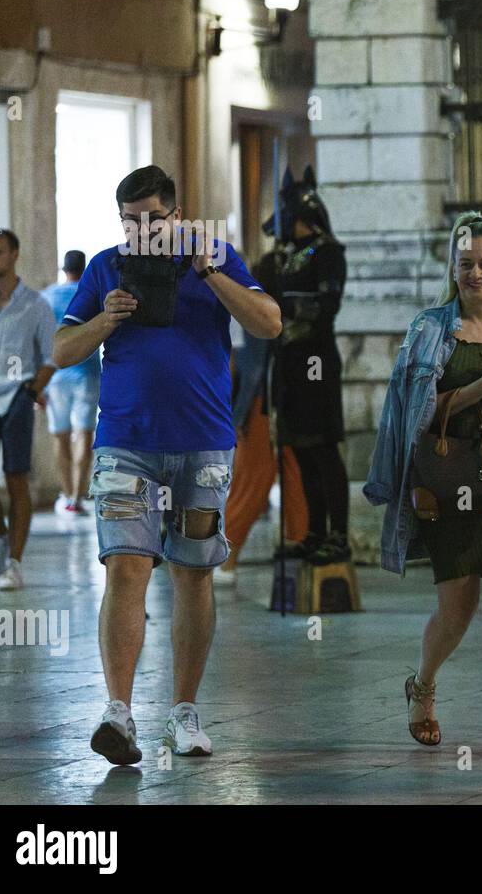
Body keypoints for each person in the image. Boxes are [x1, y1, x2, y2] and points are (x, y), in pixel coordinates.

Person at [53, 165, 282, 767]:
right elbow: (60, 350)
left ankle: (183, 711)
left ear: (176, 216)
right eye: (131, 224)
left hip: (203, 443)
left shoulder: (216, 256)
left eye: (154, 222)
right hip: (126, 440)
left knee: (193, 573)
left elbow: (270, 322)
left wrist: (211, 273)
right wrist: (107, 317)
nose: (142, 235)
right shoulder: (107, 266)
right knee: (127, 568)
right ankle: (119, 713)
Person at [365, 212, 482, 760]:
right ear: (453, 267)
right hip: (447, 490)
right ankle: (423, 687)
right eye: (466, 264)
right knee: (457, 610)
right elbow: (414, 414)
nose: (476, 274)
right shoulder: (429, 329)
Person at [266, 166, 351, 566]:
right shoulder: (281, 258)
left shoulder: (328, 251)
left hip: (315, 359)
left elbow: (325, 306)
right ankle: (314, 532)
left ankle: (338, 536)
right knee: (300, 451)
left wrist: (282, 306)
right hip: (287, 362)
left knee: (323, 450)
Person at [0, 229, 57, 590]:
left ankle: (15, 563)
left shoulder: (36, 305)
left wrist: (32, 391)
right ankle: (0, 537)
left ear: (14, 255)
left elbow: (52, 355)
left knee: (18, 479)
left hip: (18, 397)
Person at [215, 249, 309, 588]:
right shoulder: (262, 312)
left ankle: (233, 558)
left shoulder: (249, 311)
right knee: (268, 479)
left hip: (264, 407)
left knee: (264, 481)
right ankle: (233, 556)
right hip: (269, 407)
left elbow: (244, 369)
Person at [41, 249, 100, 516]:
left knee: (60, 435)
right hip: (86, 373)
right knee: (84, 435)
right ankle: (78, 496)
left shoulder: (47, 297)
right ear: (84, 268)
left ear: (62, 268)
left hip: (54, 375)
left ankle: (66, 497)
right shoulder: (91, 294)